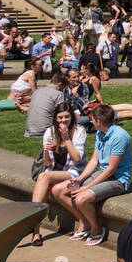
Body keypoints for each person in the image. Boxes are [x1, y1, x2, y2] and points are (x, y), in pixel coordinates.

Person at [51, 104, 131, 247]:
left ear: (99, 121)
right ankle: (85, 222)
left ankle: (96, 228)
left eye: (92, 119)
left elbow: (111, 170)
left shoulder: (120, 136)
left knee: (81, 198)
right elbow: (95, 160)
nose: (91, 122)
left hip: (118, 180)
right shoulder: (100, 133)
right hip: (103, 174)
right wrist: (79, 179)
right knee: (58, 190)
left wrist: (86, 187)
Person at [30, 105, 87, 245]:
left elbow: (77, 159)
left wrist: (67, 138)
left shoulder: (79, 131)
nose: (64, 120)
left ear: (71, 117)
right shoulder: (50, 132)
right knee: (45, 177)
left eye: (67, 117)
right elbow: (48, 164)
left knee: (44, 177)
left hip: (73, 172)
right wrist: (46, 151)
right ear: (56, 119)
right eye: (60, 117)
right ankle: (36, 232)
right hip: (54, 172)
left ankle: (32, 225)